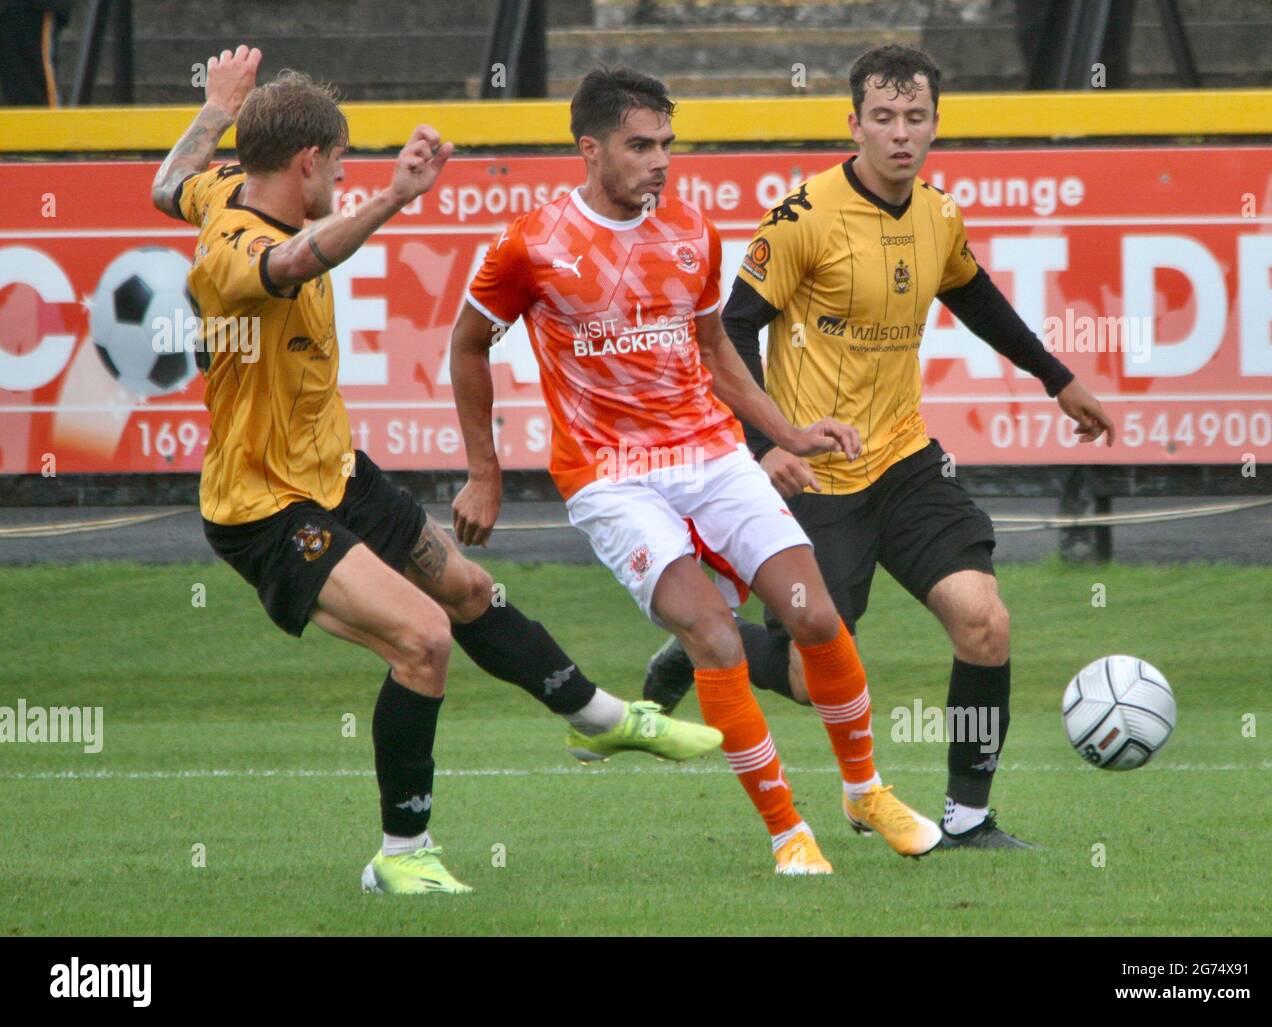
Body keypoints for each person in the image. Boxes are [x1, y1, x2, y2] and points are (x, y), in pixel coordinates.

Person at [150, 46, 721, 896]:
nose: (343, 179)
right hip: (264, 503)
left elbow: (167, 184)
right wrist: (394, 196)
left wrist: (218, 108)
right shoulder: (233, 246)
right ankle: (401, 852)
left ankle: (602, 719)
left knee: (468, 592)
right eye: (339, 166)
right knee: (422, 639)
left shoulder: (223, 185)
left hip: (335, 471)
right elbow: (296, 262)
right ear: (308, 162)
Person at [450, 66, 941, 876]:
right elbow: (469, 344)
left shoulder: (690, 230)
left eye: (666, 146)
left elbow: (715, 352)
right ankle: (789, 833)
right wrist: (484, 471)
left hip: (711, 454)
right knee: (713, 634)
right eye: (640, 146)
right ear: (590, 148)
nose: (659, 162)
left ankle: (865, 790)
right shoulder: (530, 245)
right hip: (610, 474)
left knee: (816, 618)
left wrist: (786, 432)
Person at [642, 43, 1117, 849]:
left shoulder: (939, 215)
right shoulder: (803, 217)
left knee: (985, 621)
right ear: (853, 122)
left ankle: (968, 817)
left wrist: (1057, 377)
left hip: (903, 461)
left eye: (916, 117)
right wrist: (770, 444)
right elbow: (732, 330)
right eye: (885, 118)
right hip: (816, 477)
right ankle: (712, 645)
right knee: (807, 671)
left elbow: (976, 297)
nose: (901, 133)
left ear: (936, 124)